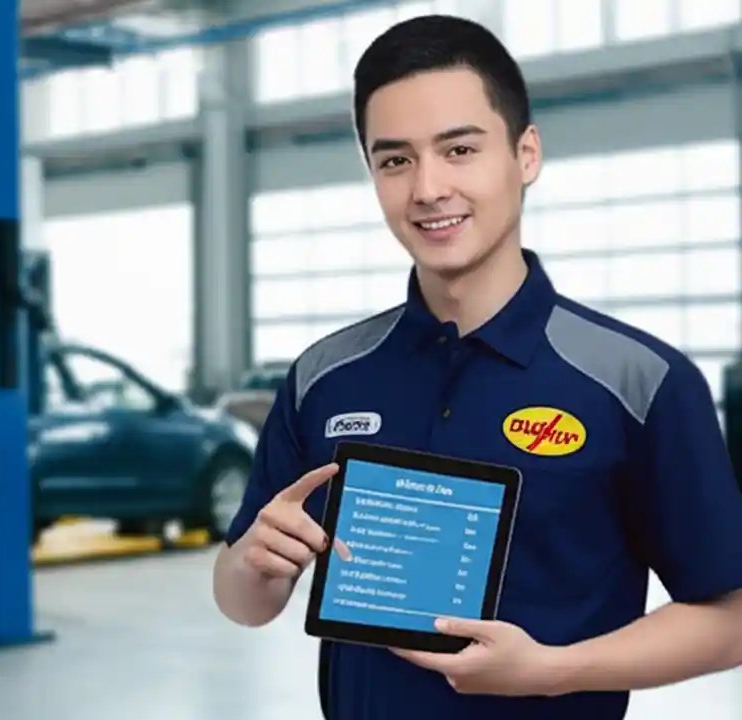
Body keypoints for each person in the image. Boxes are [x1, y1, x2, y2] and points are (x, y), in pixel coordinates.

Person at [212, 13, 742, 720]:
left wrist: (554, 671)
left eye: (458, 149)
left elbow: (731, 617)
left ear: (525, 155)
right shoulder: (326, 376)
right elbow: (244, 602)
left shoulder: (637, 381)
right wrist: (250, 566)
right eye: (395, 160)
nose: (428, 187)